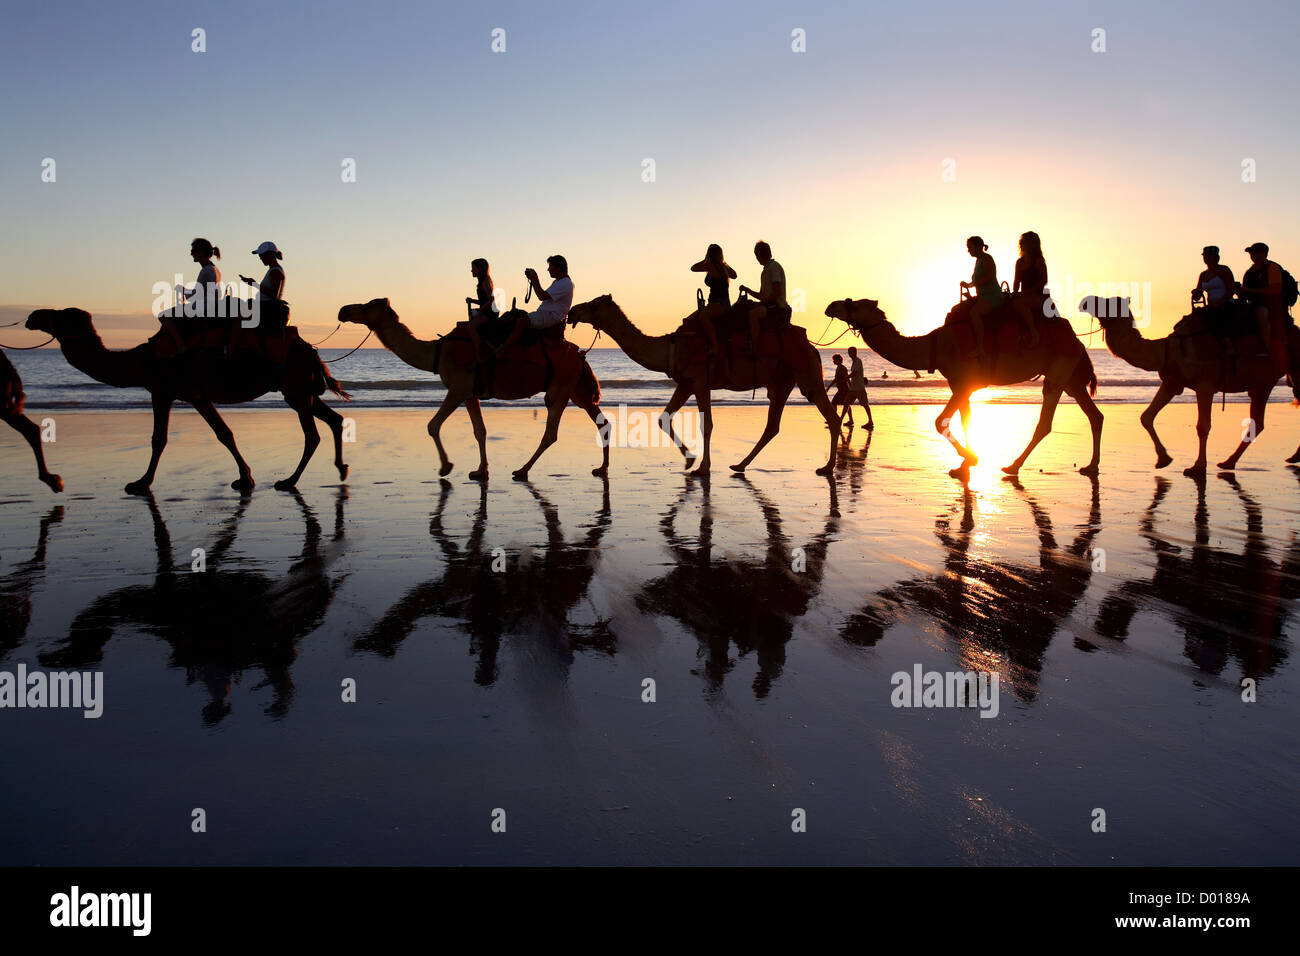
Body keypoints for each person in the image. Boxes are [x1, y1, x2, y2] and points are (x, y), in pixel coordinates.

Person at [497, 255, 573, 354]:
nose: (548, 269)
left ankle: (503, 348)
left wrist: (535, 278)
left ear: (558, 268)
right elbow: (543, 295)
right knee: (514, 316)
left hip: (552, 316)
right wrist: (534, 279)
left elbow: (541, 295)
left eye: (550, 267)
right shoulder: (558, 282)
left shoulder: (565, 283)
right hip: (546, 314)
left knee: (522, 321)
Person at [160, 238, 223, 353]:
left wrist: (182, 290)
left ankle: (181, 347)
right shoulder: (214, 269)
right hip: (208, 306)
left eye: (193, 251)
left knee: (163, 316)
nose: (191, 253)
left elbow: (196, 295)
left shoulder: (206, 271)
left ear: (201, 252)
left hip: (202, 308)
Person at [690, 244, 737, 381]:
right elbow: (734, 275)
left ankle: (715, 346)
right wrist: (725, 264)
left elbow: (693, 268)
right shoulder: (722, 266)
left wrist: (706, 260)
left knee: (703, 317)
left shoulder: (710, 265)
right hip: (719, 303)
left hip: (719, 303)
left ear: (709, 254)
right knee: (692, 318)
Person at [234, 241, 287, 352]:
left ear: (270, 255)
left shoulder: (275, 271)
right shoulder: (273, 270)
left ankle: (232, 349)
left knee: (239, 316)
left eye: (262, 255)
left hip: (268, 307)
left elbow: (273, 294)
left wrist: (254, 284)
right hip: (264, 305)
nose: (260, 258)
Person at [737, 241, 789, 356]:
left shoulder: (774, 267)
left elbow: (776, 293)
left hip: (777, 306)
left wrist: (761, 303)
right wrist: (747, 290)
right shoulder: (765, 271)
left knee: (753, 315)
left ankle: (755, 349)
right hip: (768, 304)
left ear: (759, 255)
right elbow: (762, 296)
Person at [959, 236, 1004, 359]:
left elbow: (989, 276)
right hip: (983, 296)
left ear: (978, 246)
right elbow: (979, 281)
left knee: (975, 313)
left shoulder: (986, 258)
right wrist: (969, 287)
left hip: (993, 296)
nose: (968, 250)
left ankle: (980, 347)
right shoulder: (978, 260)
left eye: (970, 247)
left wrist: (971, 284)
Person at [1238, 242, 1284, 357]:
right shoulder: (1249, 272)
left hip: (1272, 304)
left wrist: (1250, 291)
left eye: (1255, 252)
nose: (1252, 255)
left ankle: (1268, 348)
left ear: (1264, 254)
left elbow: (1275, 291)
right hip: (1253, 303)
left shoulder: (1272, 268)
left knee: (1261, 314)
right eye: (1251, 253)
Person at [1191, 245, 1236, 353]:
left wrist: (1219, 302)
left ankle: (1228, 346)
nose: (1206, 258)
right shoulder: (1203, 275)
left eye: (1208, 256)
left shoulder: (1224, 270)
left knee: (1216, 318)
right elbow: (1198, 294)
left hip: (1226, 303)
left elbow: (1231, 290)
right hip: (1211, 305)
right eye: (1205, 256)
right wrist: (1196, 293)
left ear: (1215, 257)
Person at [1011, 231, 1048, 348]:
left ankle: (1034, 333)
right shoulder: (1019, 262)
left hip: (1039, 296)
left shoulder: (1039, 261)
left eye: (1024, 242)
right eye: (1021, 242)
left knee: (1020, 303)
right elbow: (1016, 282)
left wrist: (1024, 293)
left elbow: (1043, 282)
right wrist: (1014, 294)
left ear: (1032, 244)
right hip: (1024, 295)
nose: (1021, 244)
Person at [463, 258, 497, 357]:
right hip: (486, 310)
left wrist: (480, 311)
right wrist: (472, 301)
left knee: (471, 327)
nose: (471, 270)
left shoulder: (485, 281)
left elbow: (491, 300)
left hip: (489, 312)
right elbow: (484, 301)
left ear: (480, 269)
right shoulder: (483, 281)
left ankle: (479, 352)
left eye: (473, 268)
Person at [844, 345, 875, 429]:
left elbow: (855, 372)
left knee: (865, 405)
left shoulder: (858, 361)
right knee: (846, 403)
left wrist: (847, 377)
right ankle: (849, 420)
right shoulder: (854, 361)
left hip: (859, 388)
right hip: (853, 388)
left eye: (851, 352)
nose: (849, 354)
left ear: (855, 352)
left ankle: (870, 421)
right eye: (849, 352)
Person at [830, 354, 851, 426]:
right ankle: (850, 420)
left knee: (835, 403)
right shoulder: (838, 368)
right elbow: (836, 379)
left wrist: (851, 387)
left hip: (844, 389)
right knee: (846, 404)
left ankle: (835, 418)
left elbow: (847, 378)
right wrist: (828, 387)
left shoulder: (843, 368)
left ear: (838, 360)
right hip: (840, 389)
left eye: (834, 360)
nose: (833, 361)